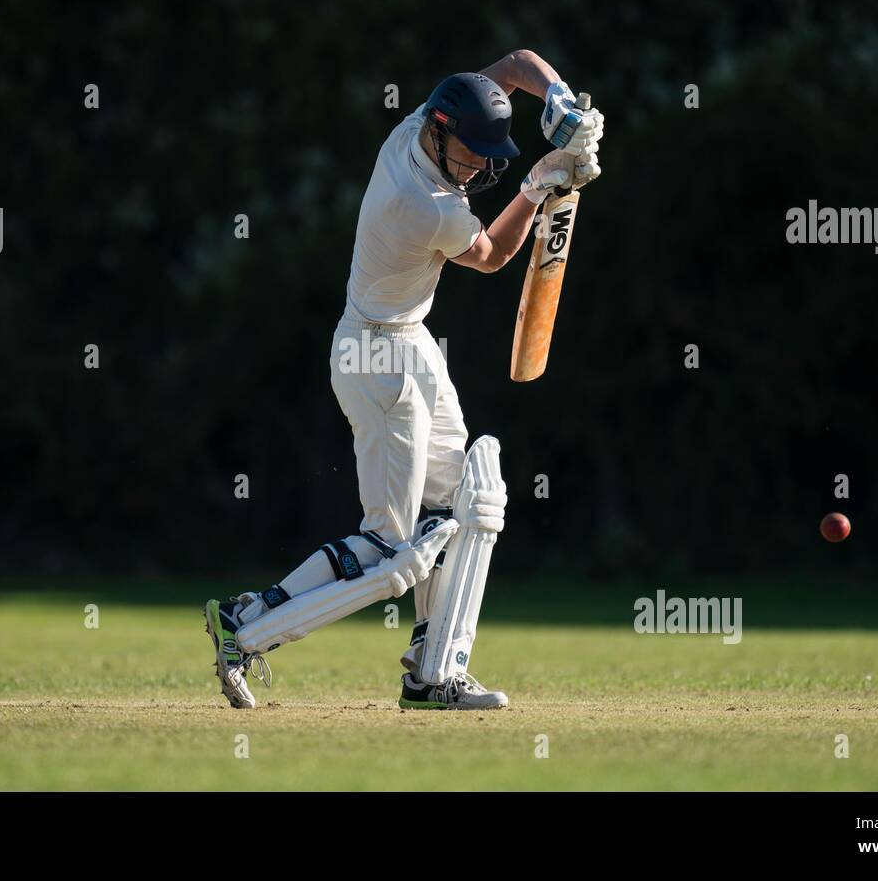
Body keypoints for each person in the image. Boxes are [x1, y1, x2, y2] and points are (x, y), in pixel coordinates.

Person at [205, 50, 603, 709]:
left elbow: (508, 67)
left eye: (488, 154)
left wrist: (558, 98)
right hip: (374, 357)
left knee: (464, 501)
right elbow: (496, 255)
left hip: (407, 341)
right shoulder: (423, 206)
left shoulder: (421, 122)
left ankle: (432, 671)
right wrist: (536, 186)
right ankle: (243, 626)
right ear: (442, 134)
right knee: (393, 549)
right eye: (472, 154)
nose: (480, 166)